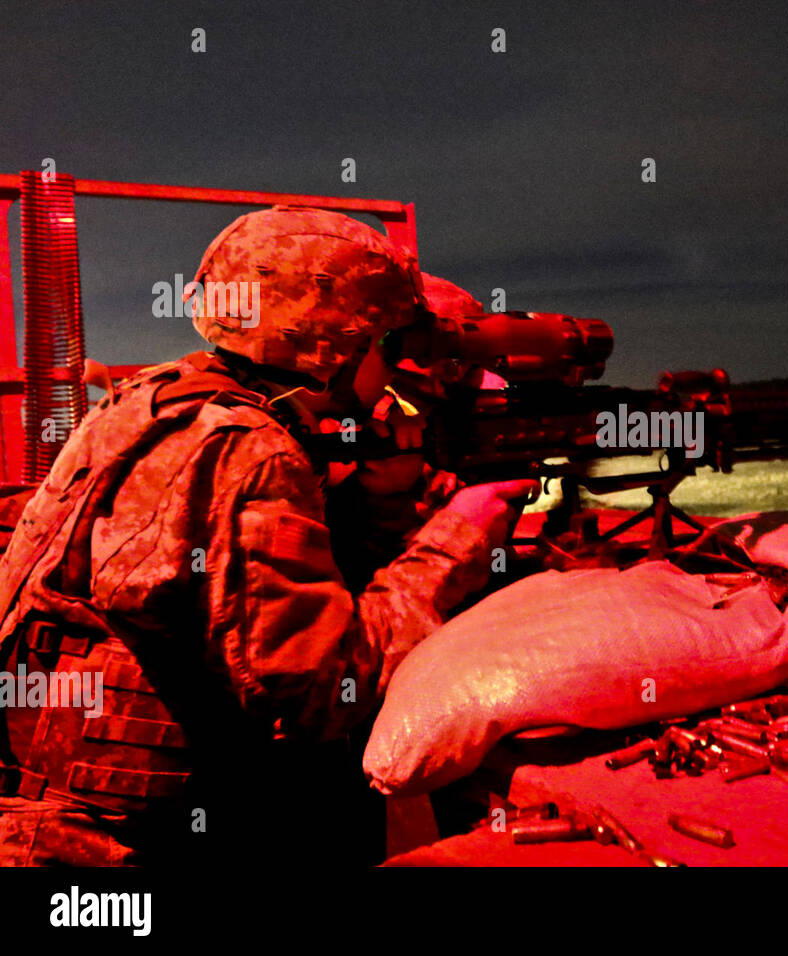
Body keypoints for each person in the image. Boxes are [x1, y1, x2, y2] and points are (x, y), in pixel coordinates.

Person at [0, 206, 534, 865]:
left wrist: (379, 500)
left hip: (51, 805)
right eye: (388, 346)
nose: (397, 374)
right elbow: (324, 693)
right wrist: (459, 537)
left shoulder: (154, 402)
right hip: (120, 844)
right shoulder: (254, 452)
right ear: (335, 344)